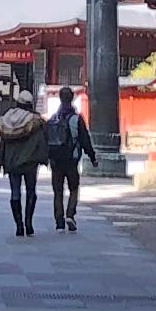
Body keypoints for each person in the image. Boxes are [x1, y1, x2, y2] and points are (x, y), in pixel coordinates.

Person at [0, 78, 48, 235]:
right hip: (30, 162)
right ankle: (28, 223)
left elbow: (3, 143)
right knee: (31, 191)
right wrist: (44, 158)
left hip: (12, 162)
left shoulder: (6, 120)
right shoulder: (36, 121)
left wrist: (1, 160)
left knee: (15, 192)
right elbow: (42, 143)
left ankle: (18, 225)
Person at [41, 86, 91, 230]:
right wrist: (92, 156)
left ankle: (59, 219)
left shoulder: (52, 119)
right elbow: (85, 139)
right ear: (72, 98)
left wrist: (46, 157)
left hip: (56, 159)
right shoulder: (76, 118)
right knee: (73, 188)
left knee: (58, 191)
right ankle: (70, 213)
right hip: (71, 158)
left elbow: (46, 139)